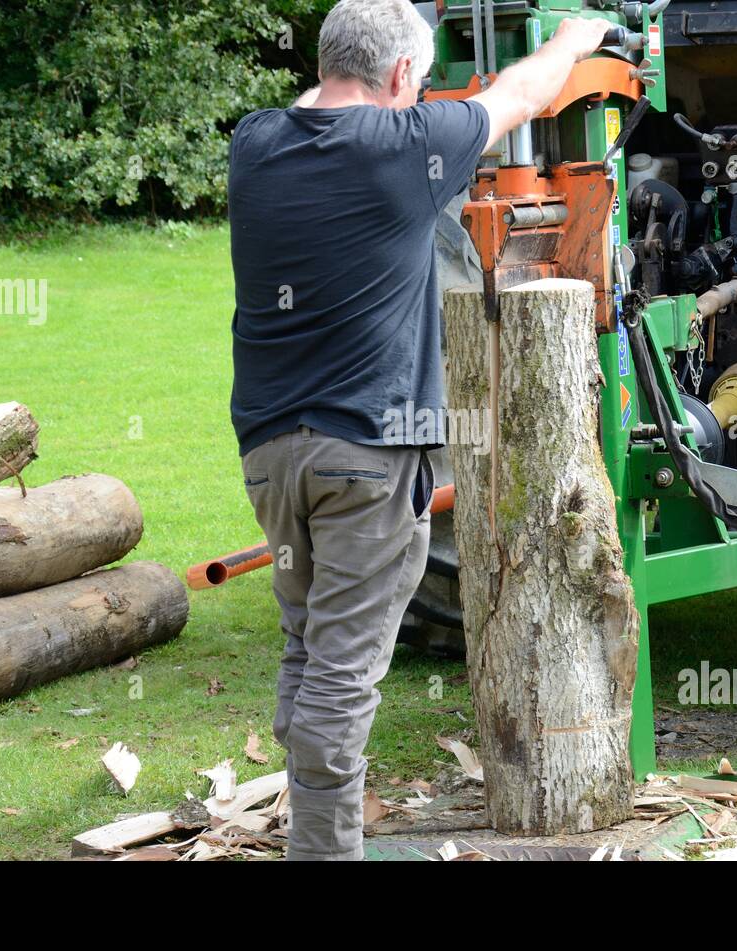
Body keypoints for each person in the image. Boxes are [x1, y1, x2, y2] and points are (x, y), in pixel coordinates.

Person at [227, 0, 612, 861]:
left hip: (269, 455)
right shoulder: (403, 152)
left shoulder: (254, 144)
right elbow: (524, 93)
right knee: (343, 674)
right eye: (419, 79)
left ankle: (308, 818)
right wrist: (575, 38)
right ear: (403, 78)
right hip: (363, 457)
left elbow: (322, 101)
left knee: (308, 644)